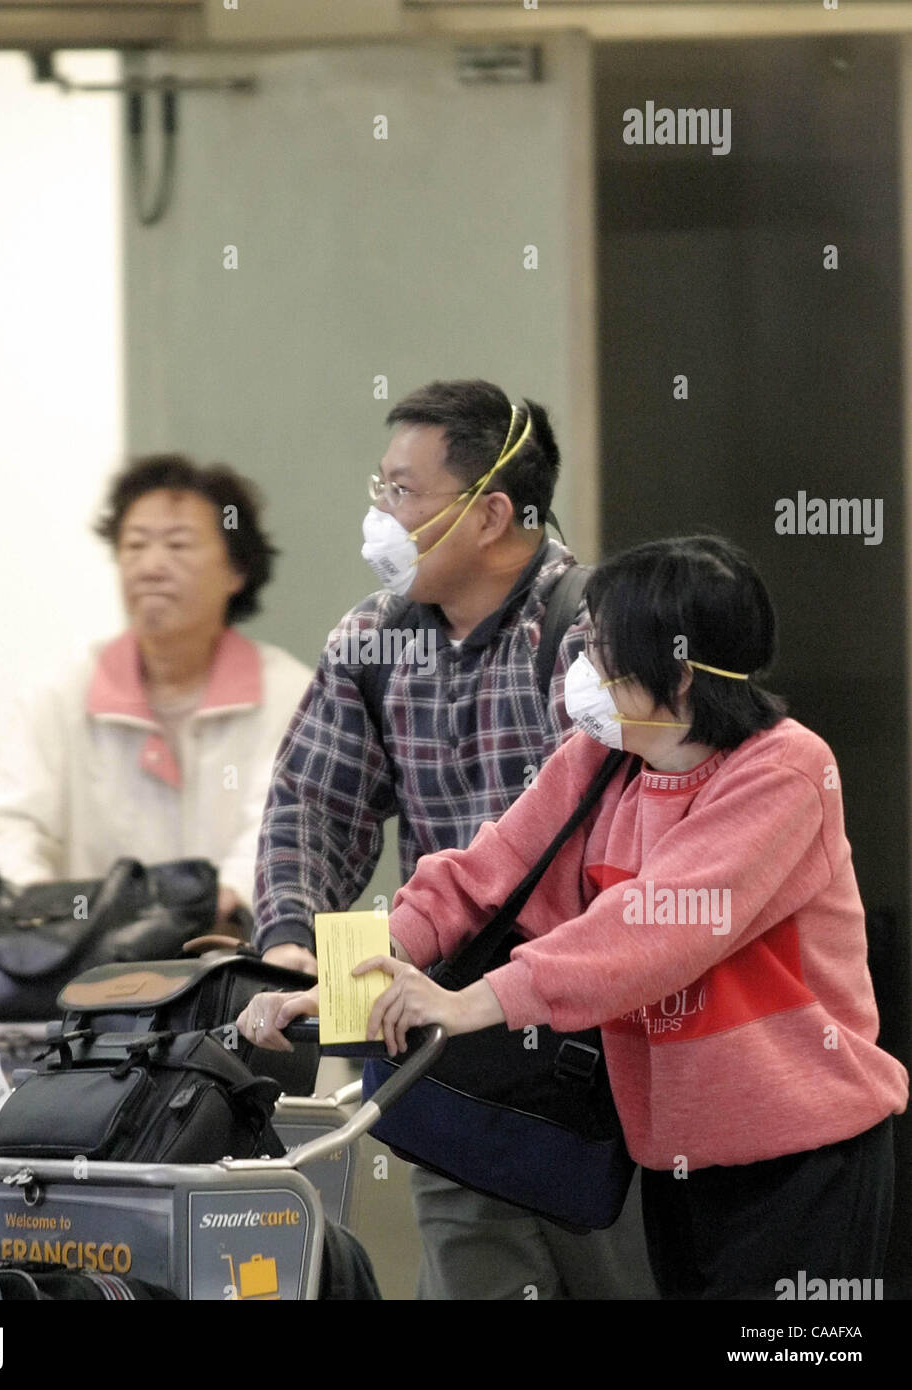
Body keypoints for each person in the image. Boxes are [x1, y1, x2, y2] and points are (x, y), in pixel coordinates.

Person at [246, 535, 909, 1299]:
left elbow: (649, 931)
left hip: (801, 1161)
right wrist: (337, 985)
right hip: (672, 1161)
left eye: (603, 650)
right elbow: (478, 877)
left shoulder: (786, 770)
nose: (584, 669)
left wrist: (470, 1002)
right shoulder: (603, 759)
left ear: (681, 673)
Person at [252, 378, 657, 1299]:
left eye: (403, 493)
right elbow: (313, 806)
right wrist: (289, 943)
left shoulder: (592, 636)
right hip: (445, 1058)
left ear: (492, 515)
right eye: (379, 488)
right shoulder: (373, 639)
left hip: (592, 1064)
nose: (379, 517)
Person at [0, 454, 311, 931]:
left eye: (178, 544)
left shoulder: (288, 694)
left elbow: (287, 829)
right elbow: (7, 826)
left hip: (232, 955)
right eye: (134, 545)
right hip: (81, 967)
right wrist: (47, 912)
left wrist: (219, 903)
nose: (150, 566)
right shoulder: (62, 694)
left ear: (236, 571)